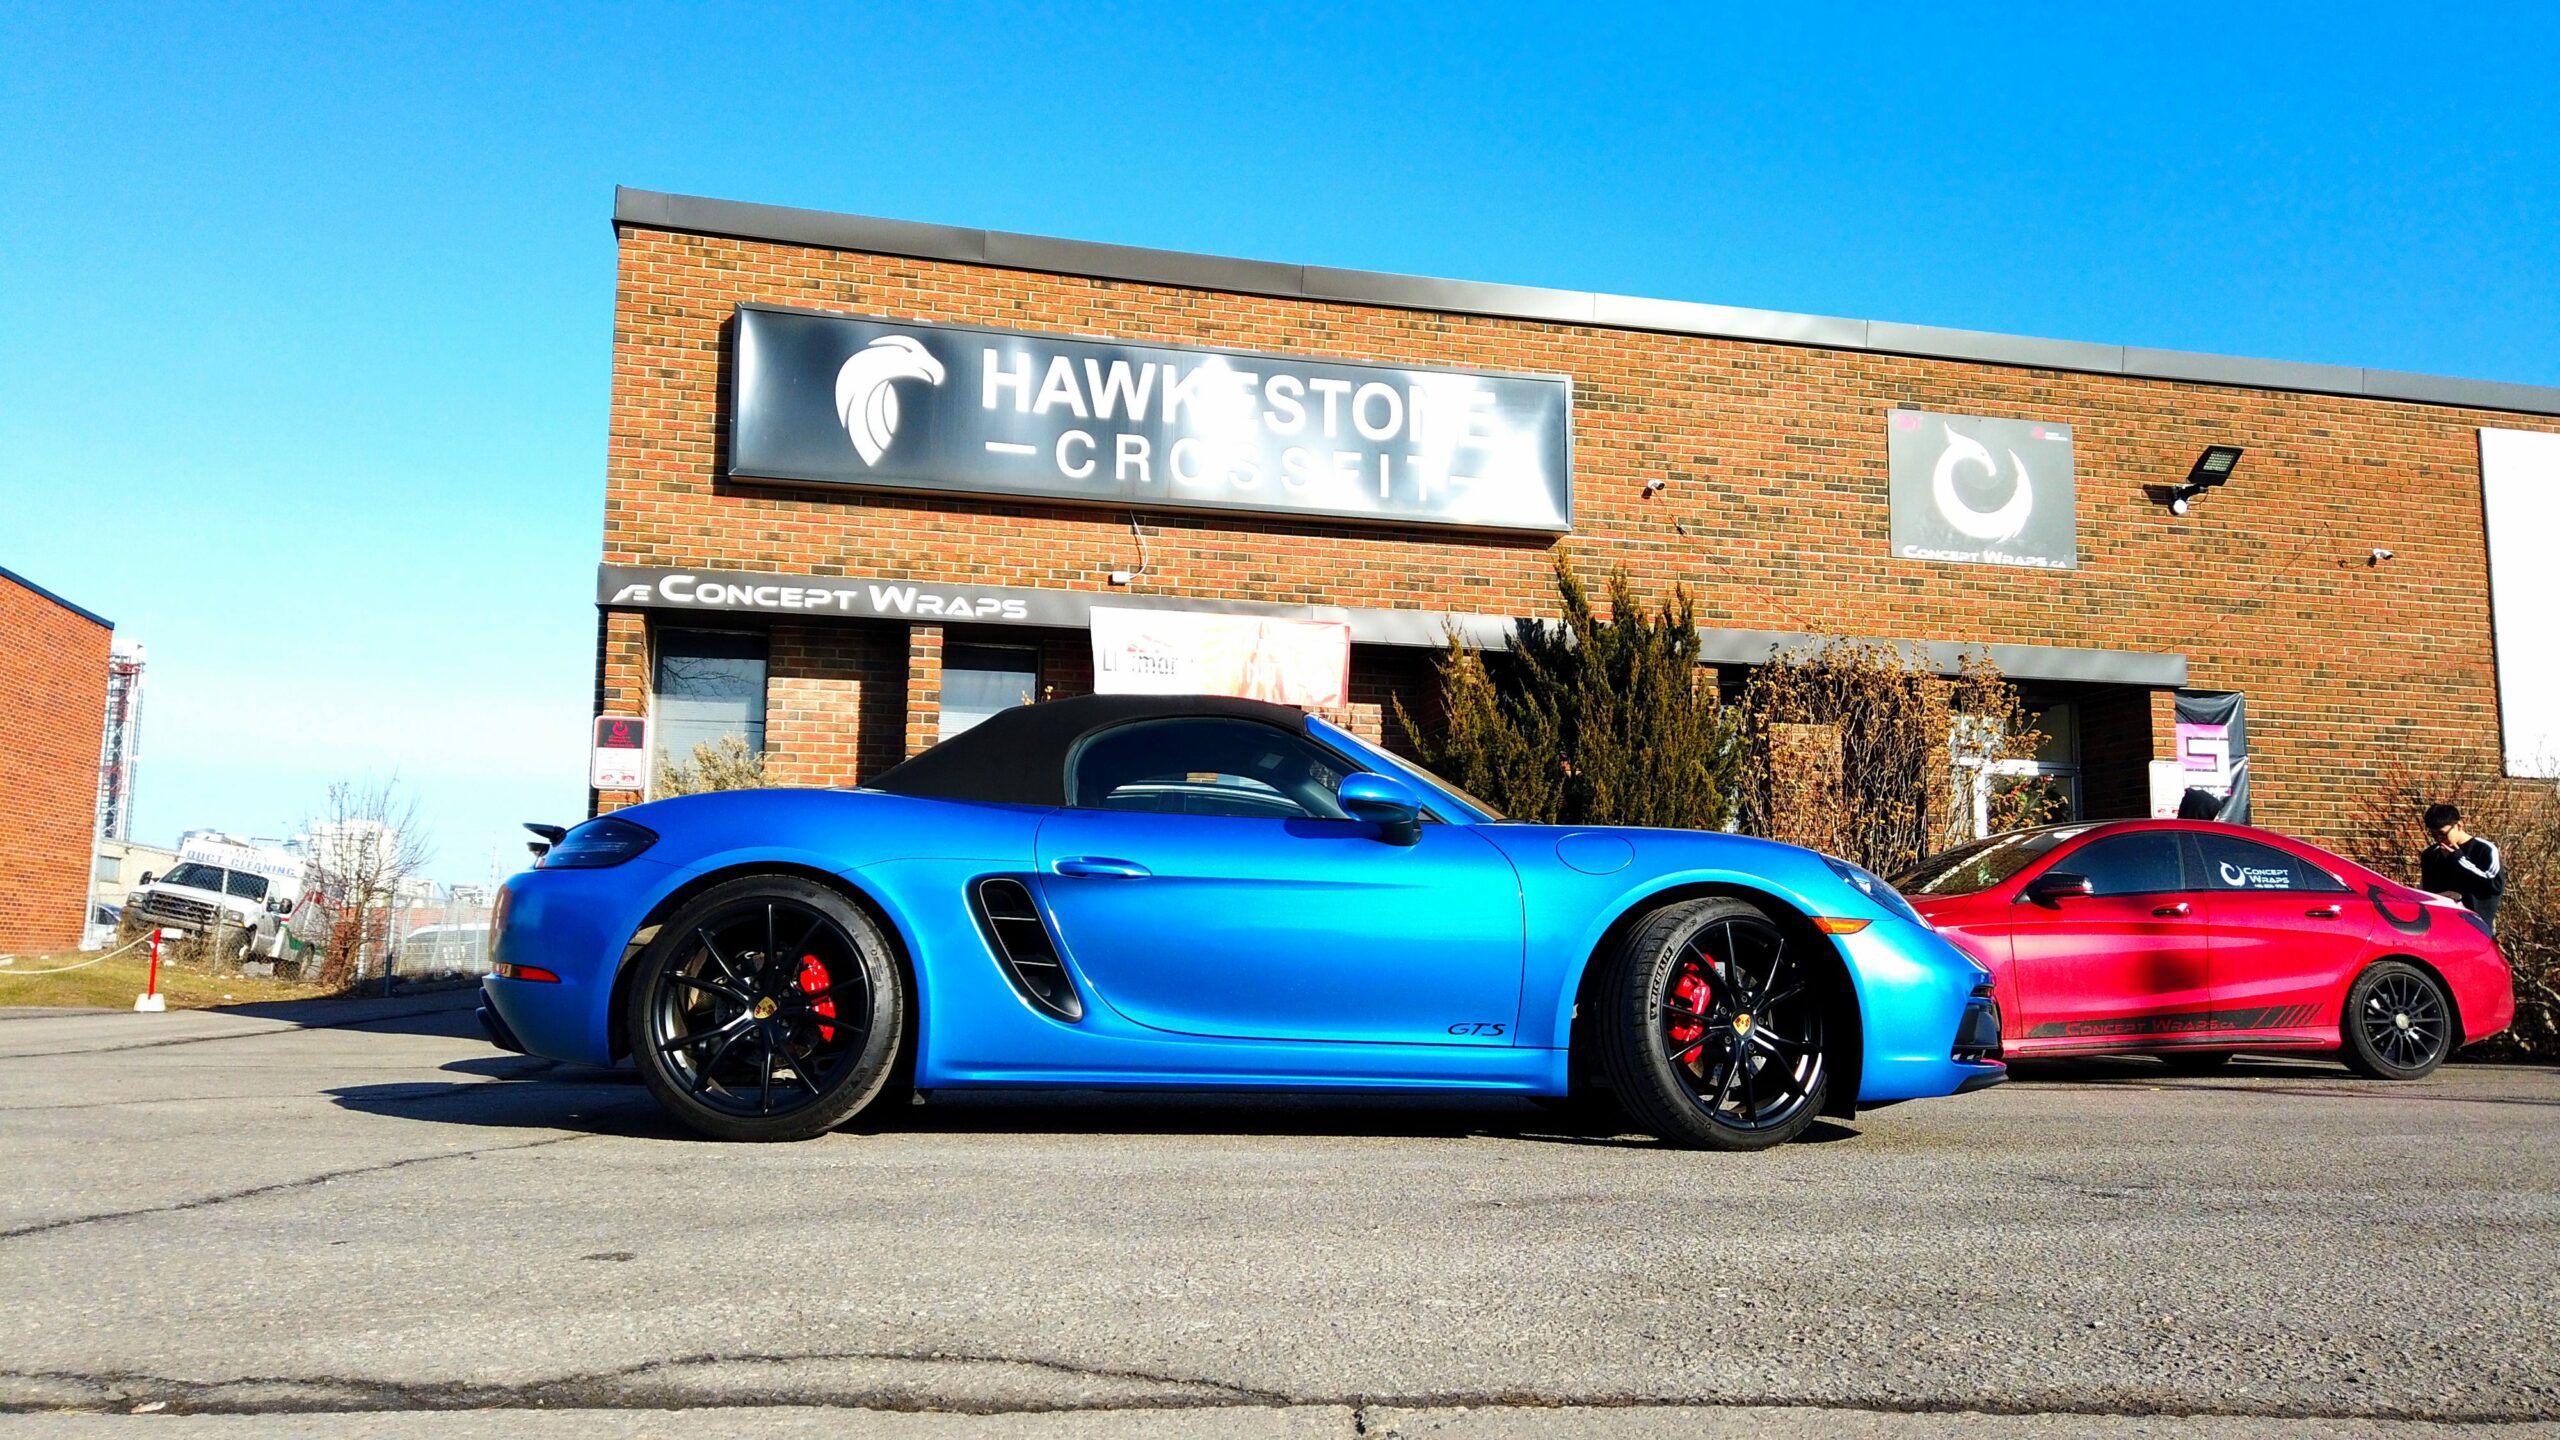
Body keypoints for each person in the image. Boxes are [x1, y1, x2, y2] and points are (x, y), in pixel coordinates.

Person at [2419, 803, 2505, 925]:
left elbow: (2495, 885)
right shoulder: (2431, 854)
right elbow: (2426, 892)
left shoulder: (2484, 849)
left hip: (2475, 927)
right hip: (2441, 927)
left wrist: (2458, 859)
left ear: (2459, 825)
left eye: (2442, 834)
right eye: (2433, 835)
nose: (2438, 839)